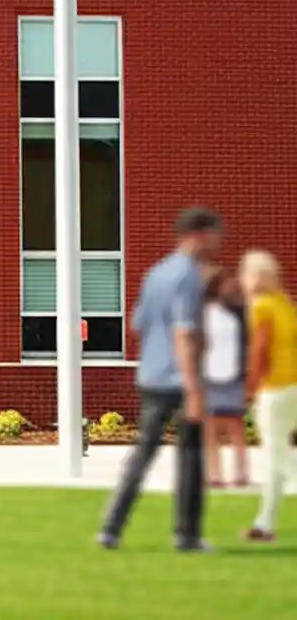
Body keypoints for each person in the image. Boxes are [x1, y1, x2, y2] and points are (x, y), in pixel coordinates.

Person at [98, 207, 222, 552]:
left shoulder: (156, 273)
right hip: (178, 379)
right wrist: (194, 386)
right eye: (214, 234)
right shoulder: (187, 275)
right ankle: (187, 535)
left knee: (143, 452)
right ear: (197, 235)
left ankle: (111, 528)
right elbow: (183, 332)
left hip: (151, 375)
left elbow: (138, 323)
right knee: (191, 456)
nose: (218, 241)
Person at [240, 250, 297, 543]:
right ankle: (265, 523)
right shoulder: (284, 303)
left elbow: (259, 351)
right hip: (294, 387)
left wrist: (249, 389)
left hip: (274, 389)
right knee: (275, 460)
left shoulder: (261, 306)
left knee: (279, 455)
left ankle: (265, 523)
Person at [201, 268, 250, 488]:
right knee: (211, 428)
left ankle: (241, 473)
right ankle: (214, 474)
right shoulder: (201, 313)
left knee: (235, 425)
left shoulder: (239, 313)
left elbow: (246, 343)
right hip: (208, 376)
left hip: (233, 375)